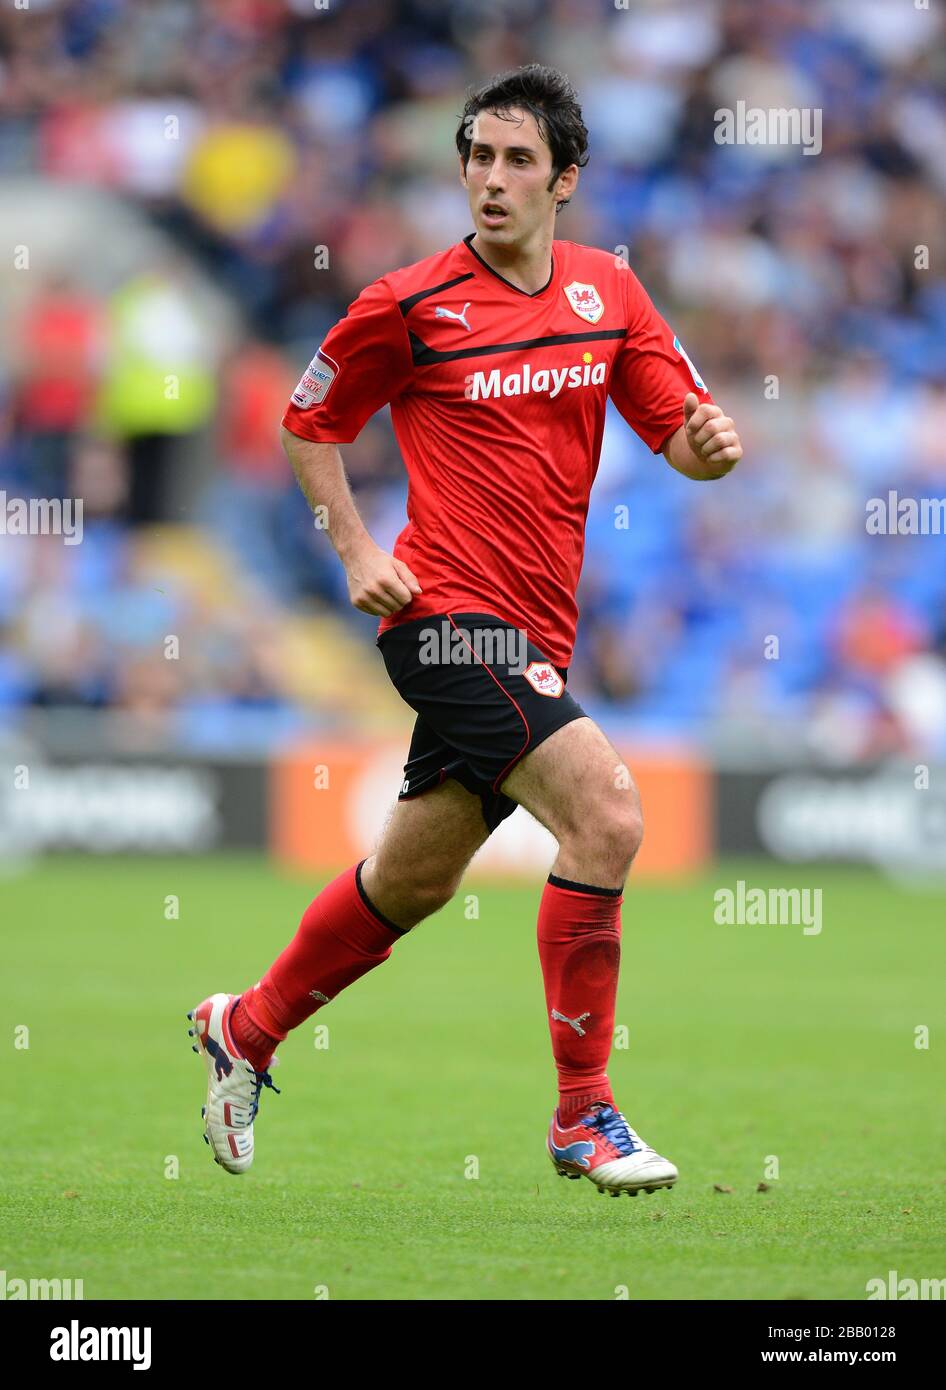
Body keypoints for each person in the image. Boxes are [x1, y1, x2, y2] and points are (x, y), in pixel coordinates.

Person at [188, 64, 742, 1195]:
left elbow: (674, 436)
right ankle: (584, 1115)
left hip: (537, 633)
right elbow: (309, 422)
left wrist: (709, 446)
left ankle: (244, 1026)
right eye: (477, 158)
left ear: (565, 181)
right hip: (439, 619)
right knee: (609, 813)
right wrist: (354, 551)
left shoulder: (610, 296)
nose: (490, 180)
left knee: (415, 878)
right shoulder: (407, 302)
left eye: (517, 161)